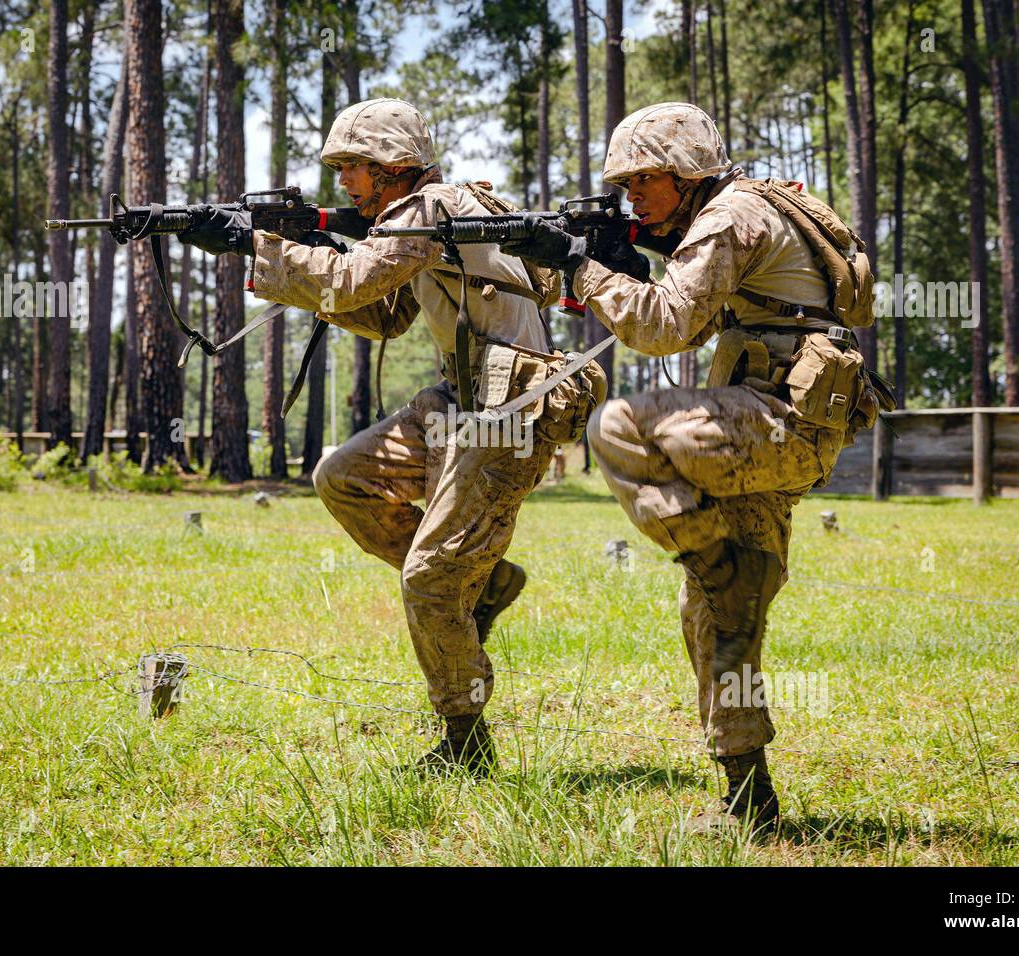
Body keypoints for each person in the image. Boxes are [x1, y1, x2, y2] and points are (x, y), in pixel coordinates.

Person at [179, 97, 602, 775]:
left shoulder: (428, 208)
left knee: (430, 579)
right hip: (464, 397)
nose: (344, 181)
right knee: (342, 476)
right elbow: (383, 315)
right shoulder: (447, 211)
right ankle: (484, 586)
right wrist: (308, 256)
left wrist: (252, 243)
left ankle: (466, 743)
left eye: (355, 166)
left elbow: (349, 283)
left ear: (396, 166)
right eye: (341, 167)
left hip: (509, 406)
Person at [500, 102, 887, 829]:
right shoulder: (754, 205)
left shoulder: (731, 215)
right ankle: (752, 802)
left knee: (618, 425)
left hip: (776, 424)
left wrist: (582, 266)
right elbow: (698, 312)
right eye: (624, 186)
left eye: (643, 180)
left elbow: (664, 326)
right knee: (720, 616)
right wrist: (623, 258)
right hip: (776, 429)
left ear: (685, 170)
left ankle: (711, 555)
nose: (632, 197)